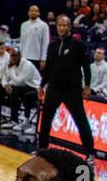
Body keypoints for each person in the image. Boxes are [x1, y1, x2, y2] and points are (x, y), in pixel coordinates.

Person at [37, 15, 94, 156]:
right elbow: (48, 67)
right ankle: (42, 150)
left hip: (72, 89)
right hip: (54, 87)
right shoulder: (52, 45)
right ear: (56, 27)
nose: (61, 28)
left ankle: (90, 153)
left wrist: (87, 85)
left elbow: (86, 66)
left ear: (69, 27)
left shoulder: (77, 45)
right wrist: (42, 85)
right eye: (59, 25)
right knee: (45, 120)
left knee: (80, 120)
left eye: (64, 25)